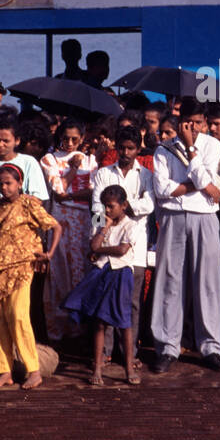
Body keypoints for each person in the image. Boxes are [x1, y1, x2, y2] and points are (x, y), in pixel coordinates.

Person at [150, 99, 220, 372]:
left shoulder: (212, 145)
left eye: (197, 123)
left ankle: (211, 347)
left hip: (205, 217)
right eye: (187, 123)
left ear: (204, 123)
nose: (192, 127)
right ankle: (167, 347)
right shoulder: (163, 149)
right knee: (169, 280)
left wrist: (191, 148)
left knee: (208, 282)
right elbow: (161, 189)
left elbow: (209, 180)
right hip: (172, 216)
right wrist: (198, 184)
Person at [0, 163, 60, 389]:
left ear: (19, 183)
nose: (4, 187)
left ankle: (34, 370)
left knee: (18, 316)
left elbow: (55, 226)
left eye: (9, 183)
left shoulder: (28, 203)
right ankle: (5, 371)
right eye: (1, 184)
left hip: (21, 267)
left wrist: (49, 253)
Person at [64, 184, 146, 385]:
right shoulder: (100, 219)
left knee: (124, 322)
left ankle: (128, 369)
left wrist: (100, 250)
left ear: (124, 205)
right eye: (105, 206)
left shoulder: (132, 225)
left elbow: (121, 250)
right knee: (99, 321)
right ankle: (98, 369)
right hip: (102, 272)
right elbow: (92, 245)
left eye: (111, 206)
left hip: (121, 273)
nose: (107, 211)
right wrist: (105, 228)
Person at [90, 125, 155, 365]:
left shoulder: (146, 175)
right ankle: (105, 352)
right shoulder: (104, 173)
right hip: (107, 243)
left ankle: (129, 354)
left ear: (138, 149)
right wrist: (102, 228)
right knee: (105, 298)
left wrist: (123, 208)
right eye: (122, 148)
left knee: (132, 302)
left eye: (131, 148)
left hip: (134, 246)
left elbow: (149, 206)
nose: (126, 152)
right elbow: (97, 208)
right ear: (116, 148)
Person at [41, 119, 98, 341]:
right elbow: (58, 190)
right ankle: (57, 331)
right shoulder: (49, 159)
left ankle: (79, 330)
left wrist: (70, 195)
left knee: (80, 271)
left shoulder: (92, 161)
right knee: (58, 273)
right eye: (66, 138)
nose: (70, 143)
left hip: (83, 220)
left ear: (82, 138)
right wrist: (73, 168)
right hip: (60, 220)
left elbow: (95, 193)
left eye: (75, 139)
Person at [0, 117, 50, 200]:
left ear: (17, 140)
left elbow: (39, 198)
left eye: (6, 141)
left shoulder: (29, 162)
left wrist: (17, 200)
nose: (0, 144)